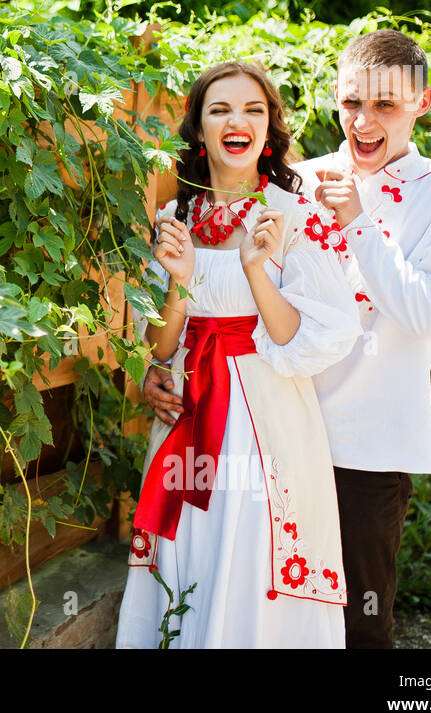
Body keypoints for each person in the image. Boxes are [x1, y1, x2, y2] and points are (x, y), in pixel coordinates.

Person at [142, 31, 431, 648]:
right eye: (353, 103)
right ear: (335, 101)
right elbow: (223, 294)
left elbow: (428, 312)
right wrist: (163, 365)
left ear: (423, 103)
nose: (365, 119)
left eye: (386, 105)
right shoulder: (293, 184)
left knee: (357, 619)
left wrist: (356, 222)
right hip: (272, 428)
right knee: (273, 610)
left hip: (365, 441)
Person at [115, 61, 361, 649]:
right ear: (199, 131)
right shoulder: (176, 217)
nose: (237, 121)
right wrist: (178, 283)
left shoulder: (296, 214)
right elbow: (159, 344)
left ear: (269, 128)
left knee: (251, 557)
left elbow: (320, 333)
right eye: (220, 109)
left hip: (265, 425)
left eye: (253, 109)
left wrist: (256, 270)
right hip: (188, 415)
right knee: (188, 552)